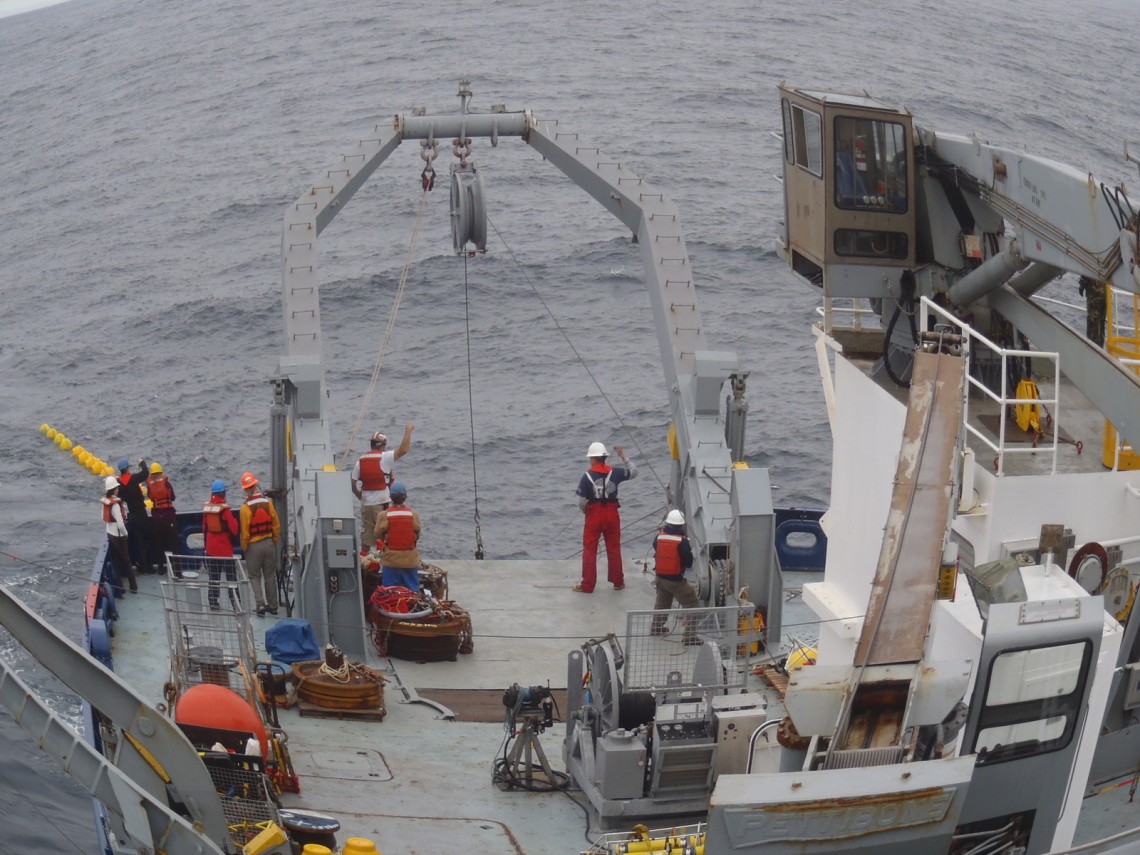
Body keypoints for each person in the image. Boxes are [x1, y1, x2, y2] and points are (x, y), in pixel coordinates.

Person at [574, 441, 637, 593]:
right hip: (612, 513)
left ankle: (587, 585)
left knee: (590, 550)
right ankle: (618, 582)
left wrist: (587, 512)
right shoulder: (615, 472)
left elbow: (581, 502)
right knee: (614, 548)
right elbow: (634, 472)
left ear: (594, 459)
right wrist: (623, 456)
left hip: (594, 514)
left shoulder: (587, 476)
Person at [352, 424, 413, 547]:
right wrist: (408, 430)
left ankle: (364, 562)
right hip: (381, 506)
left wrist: (361, 497)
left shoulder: (361, 460)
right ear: (383, 445)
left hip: (366, 505)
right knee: (385, 538)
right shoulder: (384, 457)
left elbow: (353, 483)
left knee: (366, 540)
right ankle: (385, 562)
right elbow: (404, 450)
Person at [649, 509, 700, 645]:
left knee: (662, 604)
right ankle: (690, 637)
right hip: (675, 581)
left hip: (660, 578)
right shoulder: (682, 542)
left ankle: (656, 627)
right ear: (681, 525)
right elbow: (688, 563)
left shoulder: (659, 537)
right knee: (693, 605)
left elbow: (657, 549)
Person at [240, 471, 281, 616]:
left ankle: (260, 605)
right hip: (269, 543)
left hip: (253, 546)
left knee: (254, 576)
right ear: (256, 485)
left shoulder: (245, 508)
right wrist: (274, 540)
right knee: (269, 575)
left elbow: (245, 533)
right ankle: (274, 606)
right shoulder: (267, 503)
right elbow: (276, 524)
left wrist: (245, 547)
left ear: (245, 489)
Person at [373, 481, 422, 592]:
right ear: (405, 497)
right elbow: (417, 533)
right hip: (410, 560)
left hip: (391, 561)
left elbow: (377, 535)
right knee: (413, 590)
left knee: (389, 591)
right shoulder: (413, 514)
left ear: (390, 497)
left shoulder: (383, 515)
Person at [202, 479, 239, 611]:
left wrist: (205, 548)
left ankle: (212, 601)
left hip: (211, 549)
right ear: (223, 493)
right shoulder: (225, 511)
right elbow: (234, 529)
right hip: (225, 550)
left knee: (213, 577)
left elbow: (204, 529)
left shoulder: (207, 510)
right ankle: (235, 603)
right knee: (231, 578)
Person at [117, 457, 154, 575]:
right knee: (148, 539)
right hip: (141, 513)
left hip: (132, 515)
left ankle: (144, 567)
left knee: (140, 543)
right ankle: (151, 567)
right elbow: (145, 473)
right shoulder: (133, 478)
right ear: (127, 468)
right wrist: (142, 463)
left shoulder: (119, 484)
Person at [101, 476, 136, 594]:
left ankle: (120, 589)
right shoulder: (115, 505)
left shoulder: (106, 502)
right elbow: (121, 524)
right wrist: (126, 534)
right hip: (119, 536)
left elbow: (103, 517)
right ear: (114, 489)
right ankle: (133, 587)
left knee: (115, 562)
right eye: (117, 487)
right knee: (126, 561)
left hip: (110, 534)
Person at [146, 461, 179, 572]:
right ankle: (177, 570)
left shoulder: (149, 485)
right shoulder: (166, 483)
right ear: (160, 472)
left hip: (157, 518)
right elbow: (173, 497)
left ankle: (161, 568)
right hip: (169, 516)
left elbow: (150, 497)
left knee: (158, 544)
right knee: (174, 544)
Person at [1078, 276, 1107, 346]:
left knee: (1092, 322)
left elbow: (1086, 272)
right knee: (1101, 322)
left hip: (1094, 294)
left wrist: (1081, 286)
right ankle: (1100, 347)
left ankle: (1092, 347)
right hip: (1105, 293)